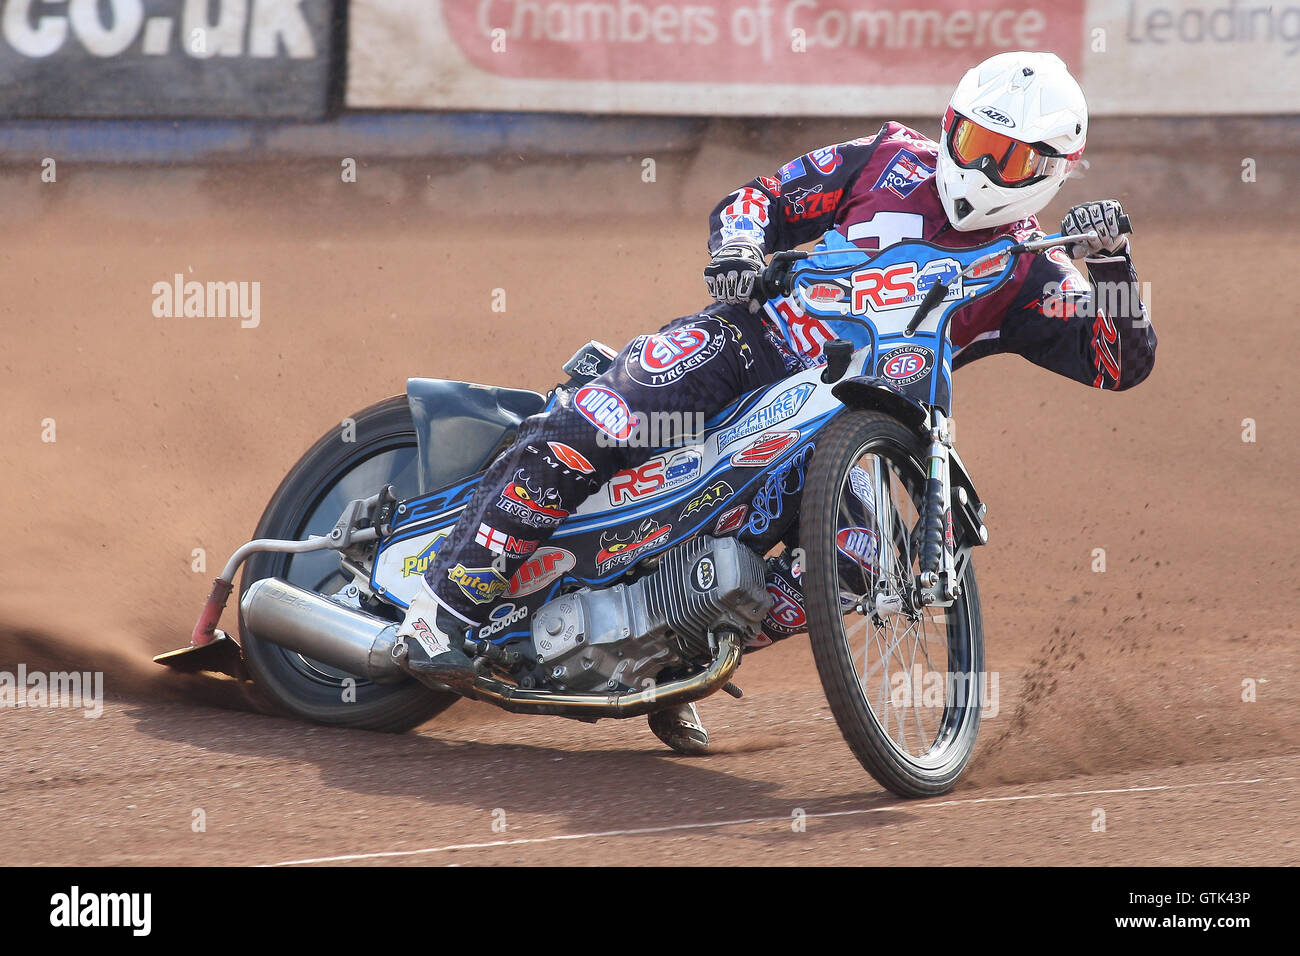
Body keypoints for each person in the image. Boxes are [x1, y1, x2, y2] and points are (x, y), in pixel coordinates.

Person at [394, 51, 1157, 754]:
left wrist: (1115, 263)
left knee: (859, 561)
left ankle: (669, 655)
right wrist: (738, 250)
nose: (980, 165)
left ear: (1057, 170)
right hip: (755, 344)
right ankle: (446, 606)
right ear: (948, 124)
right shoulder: (891, 158)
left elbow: (1118, 363)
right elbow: (759, 197)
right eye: (971, 138)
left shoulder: (1037, 268)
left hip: (858, 421)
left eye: (1009, 156)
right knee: (605, 419)